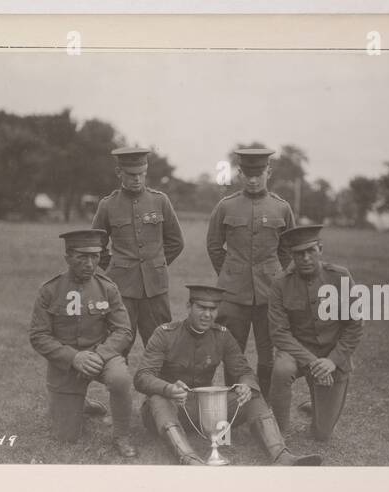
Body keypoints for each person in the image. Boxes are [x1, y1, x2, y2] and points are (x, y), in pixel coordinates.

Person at [134, 284, 321, 466]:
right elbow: (142, 376)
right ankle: (189, 459)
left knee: (253, 394)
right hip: (167, 410)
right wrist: (168, 388)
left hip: (205, 410)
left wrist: (246, 385)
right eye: (201, 308)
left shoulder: (222, 335)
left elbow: (244, 371)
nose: (207, 314)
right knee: (158, 398)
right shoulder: (165, 334)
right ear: (189, 307)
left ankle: (281, 455)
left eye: (213, 309)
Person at [29, 228, 137, 457]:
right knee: (66, 437)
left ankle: (122, 436)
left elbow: (123, 330)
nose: (90, 263)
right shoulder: (50, 290)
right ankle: (81, 402)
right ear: (68, 257)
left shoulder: (107, 288)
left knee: (120, 379)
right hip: (66, 362)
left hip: (101, 355)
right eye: (82, 257)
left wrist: (100, 355)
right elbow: (39, 336)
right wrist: (73, 357)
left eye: (95, 256)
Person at [205, 147, 296, 394]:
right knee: (233, 352)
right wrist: (229, 272)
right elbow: (214, 245)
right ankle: (234, 405)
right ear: (240, 174)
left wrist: (275, 273)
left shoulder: (281, 208)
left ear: (269, 172)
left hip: (270, 293)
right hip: (233, 294)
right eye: (248, 174)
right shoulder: (226, 206)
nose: (253, 179)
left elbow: (288, 248)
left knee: (268, 355)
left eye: (259, 174)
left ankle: (262, 404)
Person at [268, 224, 363, 441]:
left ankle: (316, 405)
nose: (306, 258)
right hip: (297, 350)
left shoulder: (340, 277)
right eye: (299, 253)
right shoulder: (280, 283)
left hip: (332, 354)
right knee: (282, 370)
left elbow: (354, 326)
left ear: (320, 249)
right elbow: (279, 333)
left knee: (322, 433)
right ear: (292, 255)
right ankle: (279, 431)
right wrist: (313, 362)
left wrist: (332, 361)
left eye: (311, 251)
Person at [90, 146, 185, 347]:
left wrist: (156, 264)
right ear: (119, 173)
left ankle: (159, 380)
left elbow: (176, 242)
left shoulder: (160, 201)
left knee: (161, 345)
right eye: (132, 174)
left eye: (142, 174)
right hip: (122, 289)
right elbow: (95, 244)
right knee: (118, 345)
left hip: (155, 289)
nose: (137, 179)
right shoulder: (107, 205)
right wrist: (114, 267)